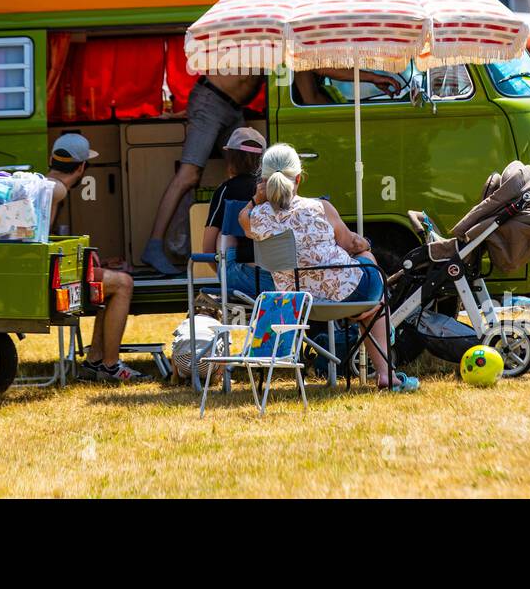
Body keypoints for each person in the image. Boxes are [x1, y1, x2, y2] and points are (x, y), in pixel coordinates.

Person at [141, 69, 402, 275]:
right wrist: (372, 77)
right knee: (189, 176)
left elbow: (310, 93)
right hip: (213, 99)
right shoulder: (277, 28)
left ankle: (225, 260)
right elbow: (321, 67)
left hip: (230, 105)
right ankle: (155, 245)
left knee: (247, 175)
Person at [238, 142, 419, 392]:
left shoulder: (258, 217)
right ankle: (386, 369)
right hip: (344, 296)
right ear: (299, 178)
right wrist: (365, 243)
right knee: (369, 270)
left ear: (264, 181)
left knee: (369, 301)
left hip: (297, 303)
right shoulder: (320, 208)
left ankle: (378, 317)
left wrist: (255, 200)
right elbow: (350, 244)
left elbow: (242, 219)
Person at [46, 133, 144, 383]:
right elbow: (42, 242)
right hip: (48, 280)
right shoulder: (56, 190)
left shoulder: (45, 184)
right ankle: (110, 365)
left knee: (108, 285)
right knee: (124, 284)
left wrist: (92, 262)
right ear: (81, 168)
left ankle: (95, 361)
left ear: (51, 159)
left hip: (45, 271)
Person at [201, 126, 271, 298]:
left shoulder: (226, 190)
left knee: (225, 229)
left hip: (244, 278)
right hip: (284, 277)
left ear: (230, 158)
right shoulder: (275, 190)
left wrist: (224, 274)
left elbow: (208, 248)